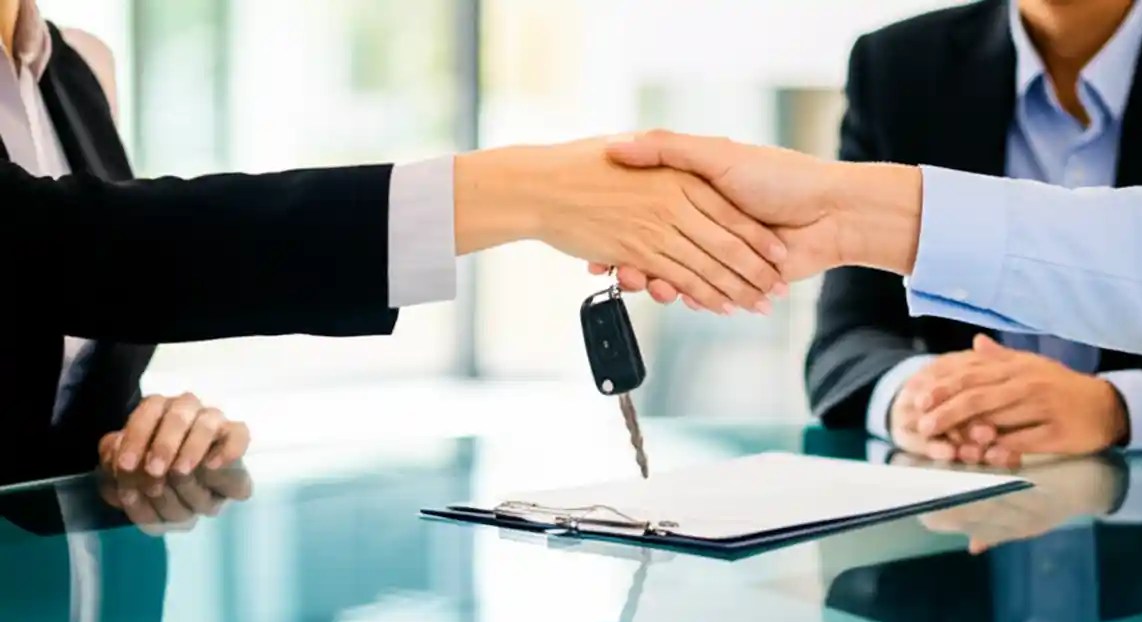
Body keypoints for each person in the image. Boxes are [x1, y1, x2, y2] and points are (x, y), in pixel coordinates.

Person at [2, 2, 786, 486]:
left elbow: (87, 309)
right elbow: (64, 247)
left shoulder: (71, 67)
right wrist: (530, 191)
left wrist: (144, 439)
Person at [802, 0, 1142, 467]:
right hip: (966, 500)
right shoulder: (898, 64)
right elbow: (848, 333)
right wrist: (924, 397)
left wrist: (1118, 407)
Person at [2, 0, 248, 491]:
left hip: (89, 557)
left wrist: (158, 439)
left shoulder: (82, 63)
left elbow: (97, 306)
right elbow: (70, 247)